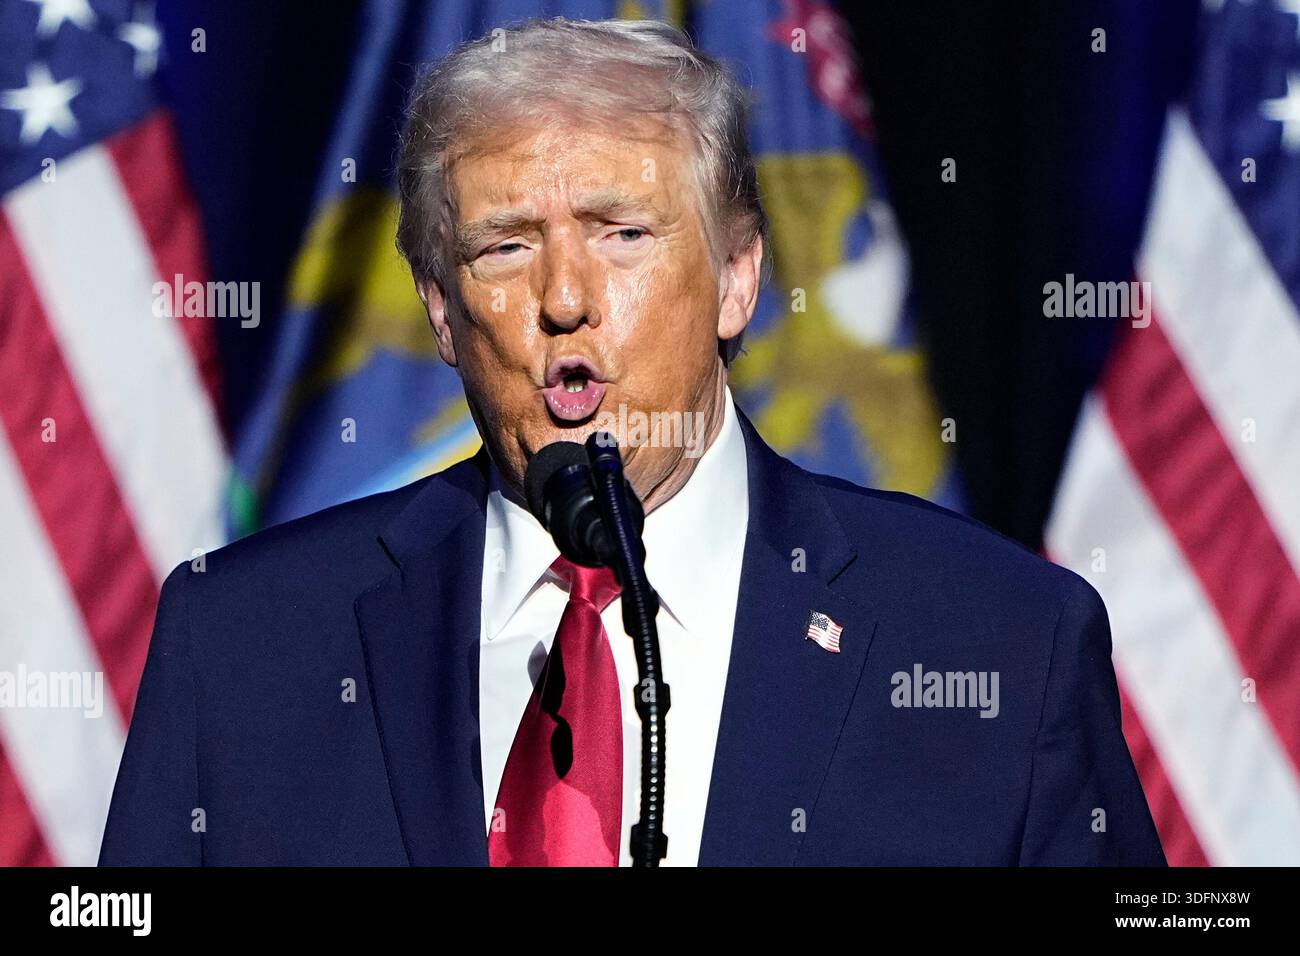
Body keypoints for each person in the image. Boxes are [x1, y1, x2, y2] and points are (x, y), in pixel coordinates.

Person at [99, 17, 1165, 866]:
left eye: (623, 235)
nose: (565, 298)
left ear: (738, 277)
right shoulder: (242, 647)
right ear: (437, 307)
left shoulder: (997, 643)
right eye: (505, 246)